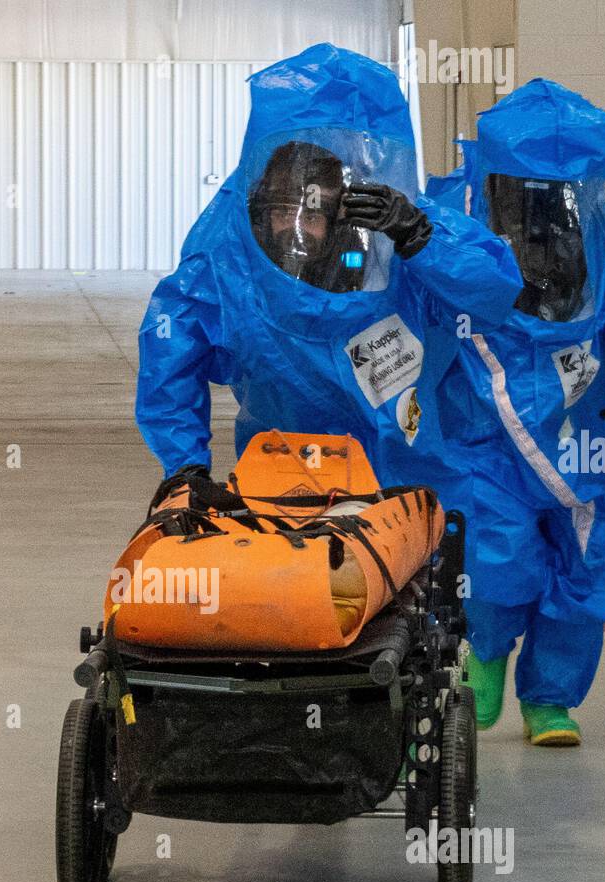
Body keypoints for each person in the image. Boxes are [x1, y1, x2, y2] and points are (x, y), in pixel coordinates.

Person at [134, 43, 523, 522]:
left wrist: (421, 238)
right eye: (280, 210)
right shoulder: (229, 253)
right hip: (277, 479)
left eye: (310, 212)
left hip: (406, 479)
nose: (290, 228)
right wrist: (185, 465)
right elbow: (170, 344)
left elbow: (495, 293)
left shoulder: (404, 233)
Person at [429, 79, 605, 746]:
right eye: (527, 189)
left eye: (564, 193)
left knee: (587, 564)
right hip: (485, 435)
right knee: (492, 553)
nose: (543, 208)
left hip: (584, 440)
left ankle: (550, 697)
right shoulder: (455, 222)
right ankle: (483, 655)